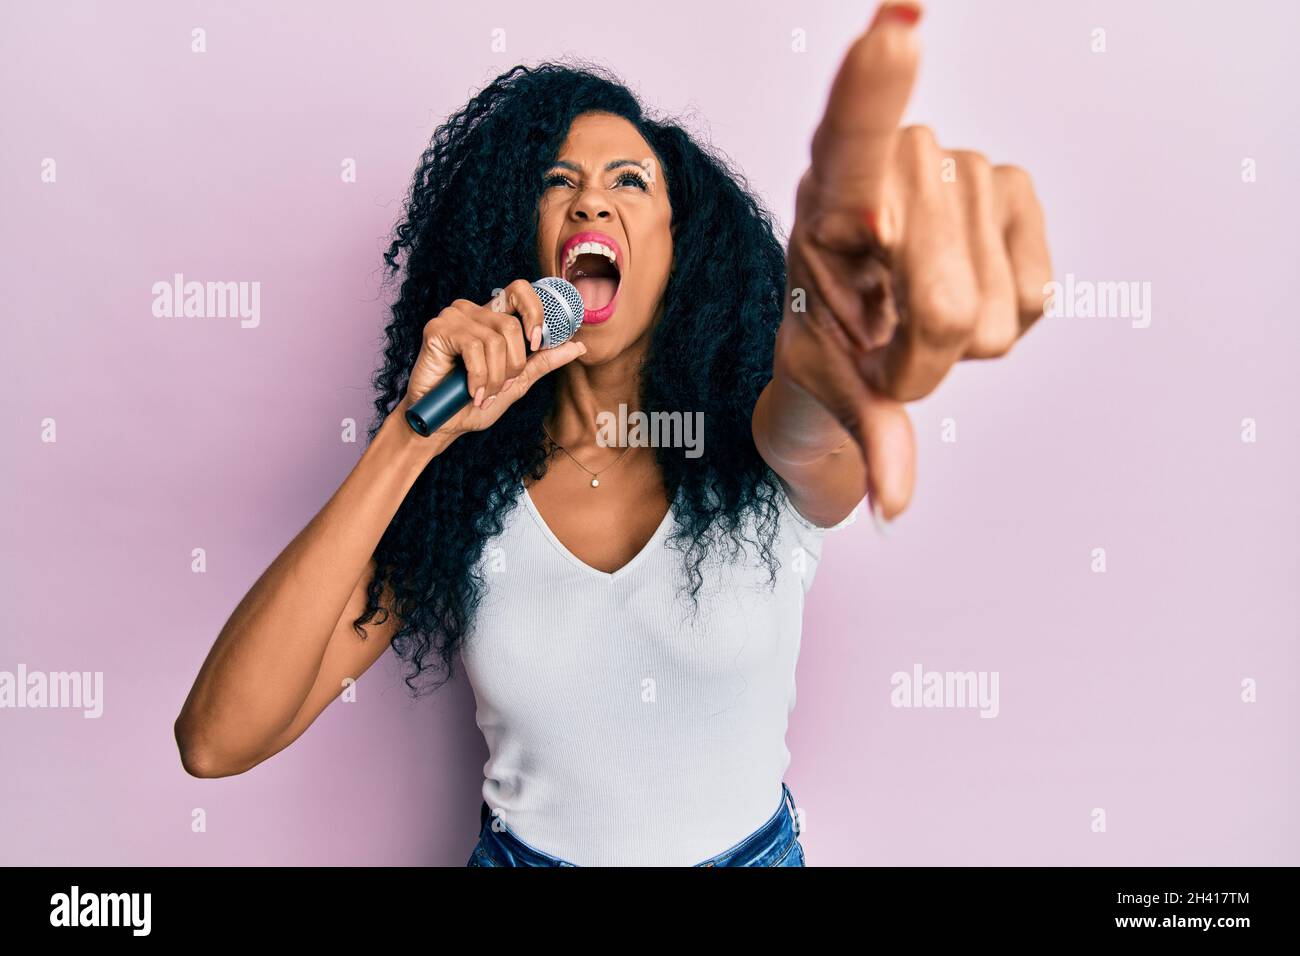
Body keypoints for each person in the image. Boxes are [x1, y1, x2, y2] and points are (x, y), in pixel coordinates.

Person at [173, 1, 1051, 867]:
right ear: (523, 241)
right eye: (559, 183)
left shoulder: (757, 449)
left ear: (682, 244)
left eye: (631, 182)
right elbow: (217, 740)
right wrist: (413, 435)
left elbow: (808, 426)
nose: (592, 201)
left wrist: (831, 351)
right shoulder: (464, 495)